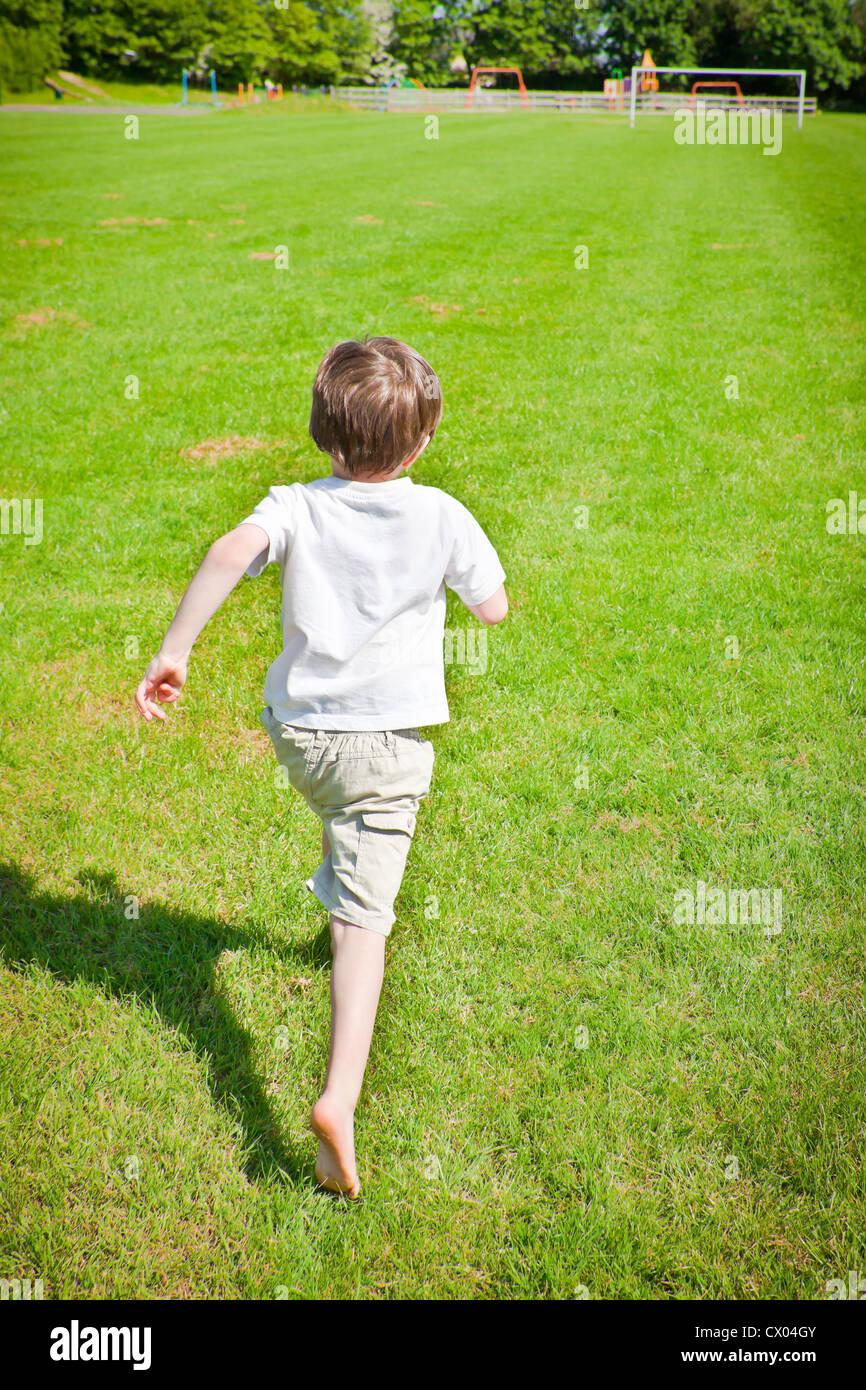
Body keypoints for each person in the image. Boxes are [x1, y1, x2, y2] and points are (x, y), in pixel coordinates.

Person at [135, 336, 508, 1197]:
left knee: (346, 828)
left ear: (320, 434)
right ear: (419, 446)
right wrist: (469, 589)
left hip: (299, 737)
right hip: (387, 749)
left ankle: (338, 885)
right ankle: (338, 1099)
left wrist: (175, 652)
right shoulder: (445, 515)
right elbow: (491, 611)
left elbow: (231, 550)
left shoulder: (295, 505)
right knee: (365, 922)